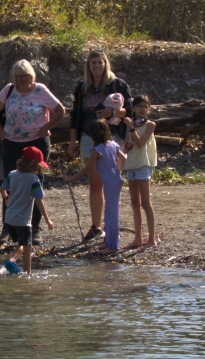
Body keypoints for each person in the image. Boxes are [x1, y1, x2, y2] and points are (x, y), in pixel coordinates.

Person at [0, 59, 65, 245]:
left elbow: (60, 111)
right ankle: (7, 228)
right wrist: (1, 133)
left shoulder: (40, 90)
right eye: (19, 76)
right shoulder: (9, 90)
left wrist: (46, 127)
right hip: (12, 143)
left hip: (37, 142)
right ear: (14, 77)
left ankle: (35, 228)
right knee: (9, 183)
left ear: (32, 75)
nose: (22, 79)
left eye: (26, 76)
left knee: (35, 184)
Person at [70, 50, 132, 242]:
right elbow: (76, 115)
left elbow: (129, 111)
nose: (97, 66)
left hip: (113, 137)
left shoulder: (118, 84)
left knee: (111, 183)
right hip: (89, 137)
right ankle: (96, 226)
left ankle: (112, 225)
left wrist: (112, 111)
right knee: (95, 182)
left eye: (100, 62)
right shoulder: (82, 87)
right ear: (89, 66)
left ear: (105, 64)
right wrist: (72, 141)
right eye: (93, 63)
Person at [64, 119, 125, 251]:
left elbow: (87, 169)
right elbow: (124, 158)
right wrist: (118, 170)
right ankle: (109, 242)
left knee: (111, 213)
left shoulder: (97, 150)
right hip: (117, 180)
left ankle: (113, 245)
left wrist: (70, 178)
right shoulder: (113, 144)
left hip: (110, 183)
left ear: (92, 135)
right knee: (111, 211)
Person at [0, 146, 55, 274]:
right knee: (27, 246)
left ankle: (12, 262)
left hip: (9, 218)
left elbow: (2, 189)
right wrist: (48, 220)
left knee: (22, 243)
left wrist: (6, 198)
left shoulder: (12, 174)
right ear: (34, 164)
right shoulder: (33, 179)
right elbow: (39, 200)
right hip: (23, 220)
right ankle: (26, 273)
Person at [123, 95, 159, 247]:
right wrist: (130, 130)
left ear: (149, 109)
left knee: (145, 202)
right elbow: (127, 146)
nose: (142, 109)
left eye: (145, 106)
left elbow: (140, 143)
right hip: (131, 164)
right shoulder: (131, 124)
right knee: (134, 202)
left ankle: (151, 239)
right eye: (139, 106)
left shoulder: (150, 125)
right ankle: (137, 238)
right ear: (134, 108)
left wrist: (131, 129)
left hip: (143, 164)